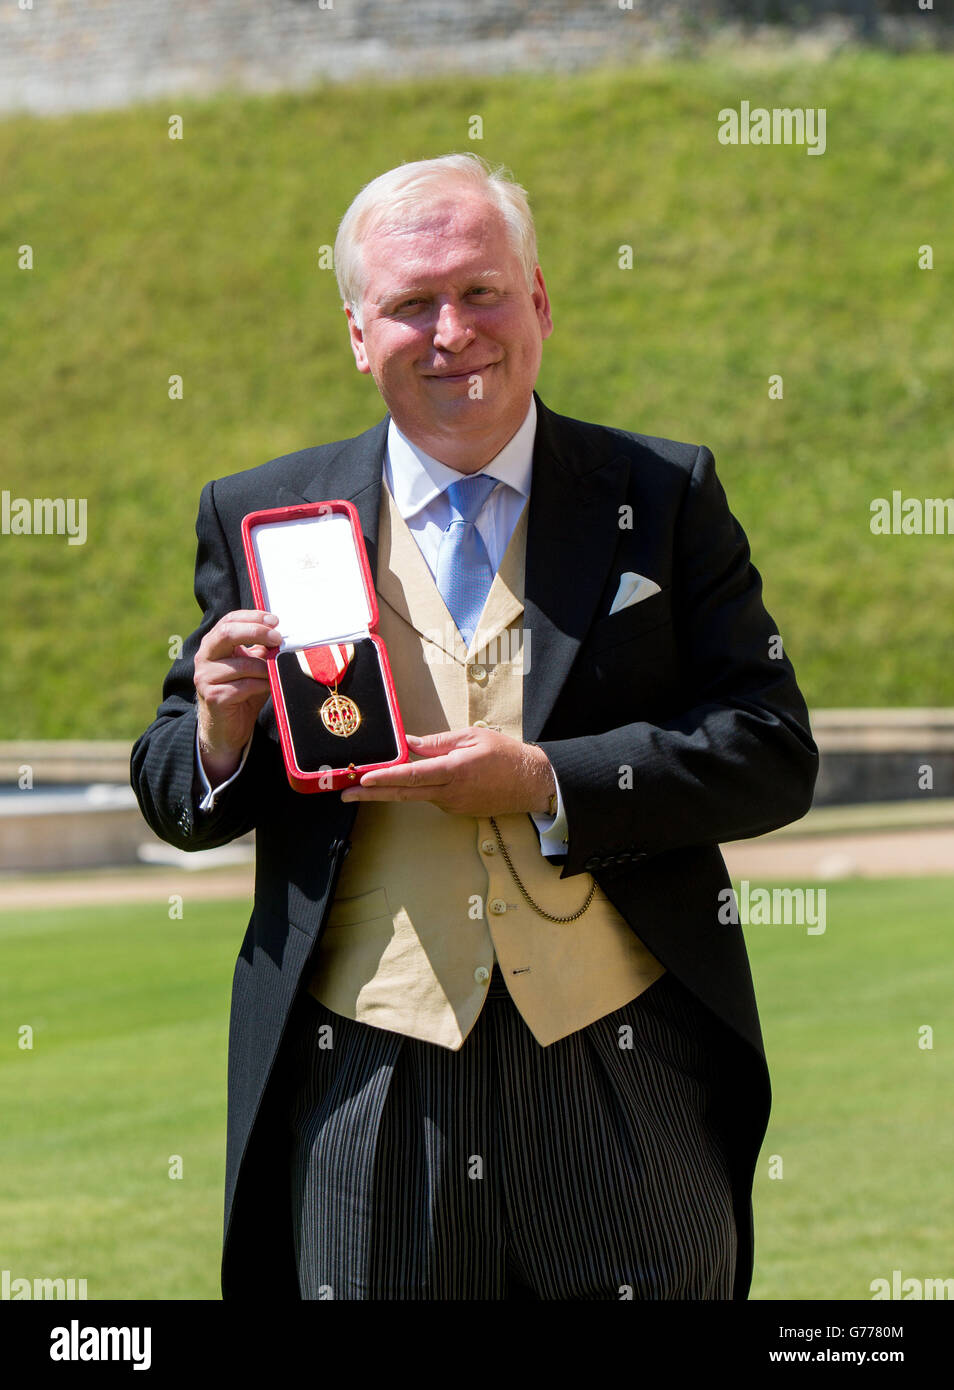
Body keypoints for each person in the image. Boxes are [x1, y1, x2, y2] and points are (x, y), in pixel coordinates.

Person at [130, 153, 818, 1301]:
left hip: (619, 1061)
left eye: (481, 290)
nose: (453, 331)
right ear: (359, 333)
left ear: (539, 301)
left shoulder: (665, 491)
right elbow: (175, 787)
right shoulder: (258, 512)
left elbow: (771, 748)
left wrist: (550, 779)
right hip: (365, 1071)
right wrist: (218, 727)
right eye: (410, 304)